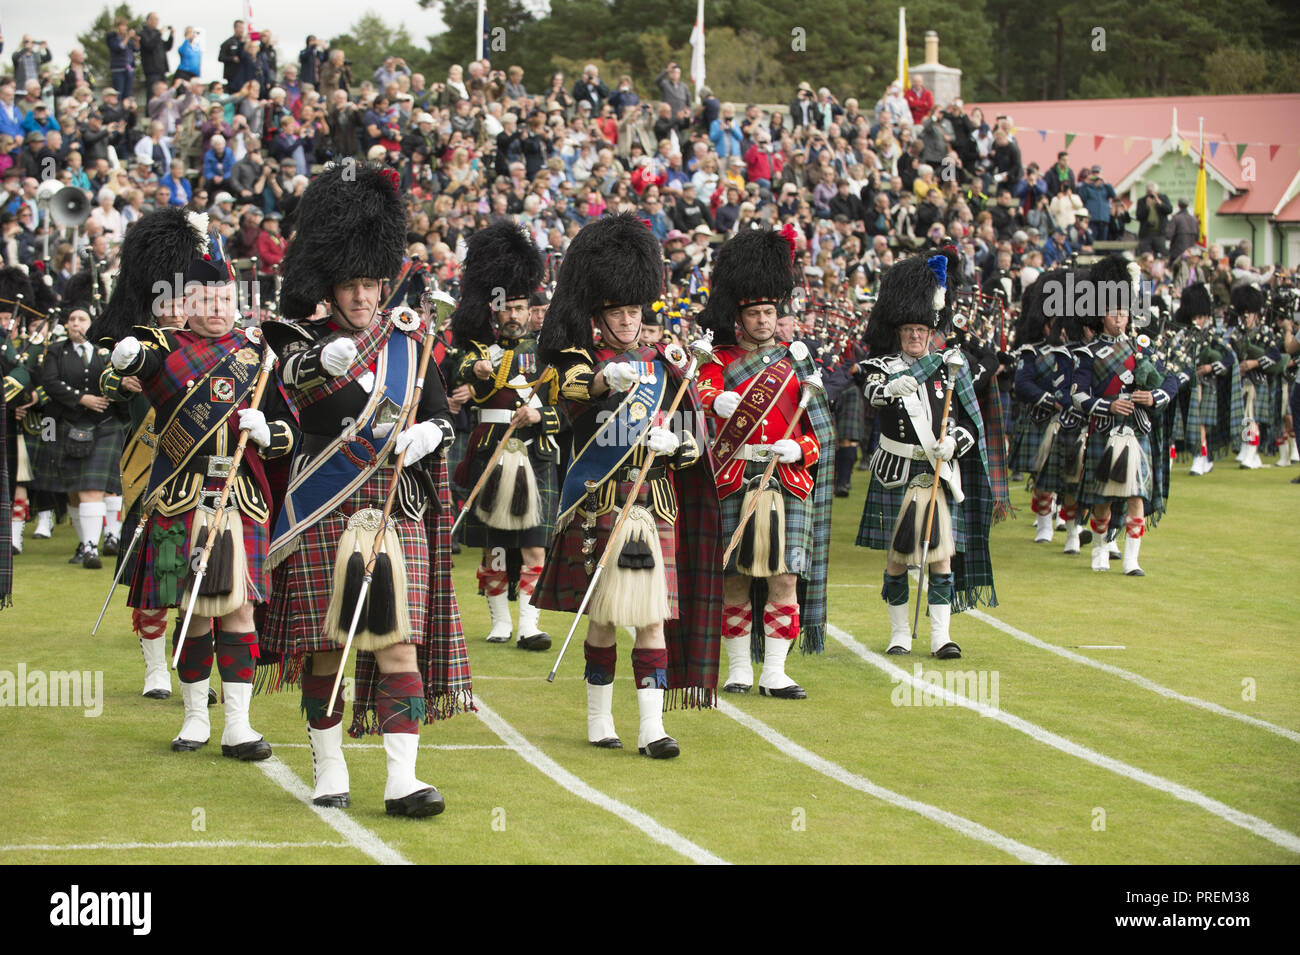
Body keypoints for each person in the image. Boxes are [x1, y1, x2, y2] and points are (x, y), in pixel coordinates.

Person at [262, 163, 472, 816]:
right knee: (326, 647)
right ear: (330, 287)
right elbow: (291, 382)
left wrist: (430, 438)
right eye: (350, 286)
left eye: (370, 285)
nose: (361, 297)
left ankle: (401, 780)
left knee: (396, 641)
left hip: (396, 509)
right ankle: (328, 768)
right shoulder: (306, 343)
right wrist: (315, 362)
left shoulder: (410, 345)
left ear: (384, 284)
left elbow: (441, 413)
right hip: (329, 508)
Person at [535, 212, 722, 758]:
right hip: (601, 499)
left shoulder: (669, 362)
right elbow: (565, 390)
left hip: (654, 502)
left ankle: (652, 728)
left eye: (633, 310)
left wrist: (678, 446)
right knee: (603, 618)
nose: (626, 320)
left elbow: (693, 435)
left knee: (650, 617)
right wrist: (603, 380)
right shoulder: (580, 358)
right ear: (598, 313)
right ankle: (599, 720)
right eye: (616, 311)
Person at [109, 241, 295, 758]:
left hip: (242, 498)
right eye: (206, 300)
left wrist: (267, 434)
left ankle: (238, 726)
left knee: (238, 612)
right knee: (192, 612)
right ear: (186, 303)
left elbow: (291, 431)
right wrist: (121, 358)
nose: (217, 310)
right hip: (180, 500)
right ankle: (194, 719)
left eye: (225, 300)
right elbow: (122, 374)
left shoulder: (260, 353)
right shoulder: (163, 348)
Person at [696, 226, 835, 698]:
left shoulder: (798, 362)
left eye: (769, 312)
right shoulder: (718, 359)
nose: (762, 320)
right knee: (734, 575)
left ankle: (775, 672)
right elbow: (702, 391)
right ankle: (737, 669)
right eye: (754, 313)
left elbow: (823, 432)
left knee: (785, 574)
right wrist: (716, 402)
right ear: (739, 316)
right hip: (736, 476)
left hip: (787, 479)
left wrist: (800, 450)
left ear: (778, 315)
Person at [856, 254, 997, 657]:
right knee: (898, 558)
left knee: (941, 556)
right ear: (897, 331)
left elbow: (971, 422)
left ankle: (940, 637)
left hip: (938, 469)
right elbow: (872, 394)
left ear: (931, 330)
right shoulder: (879, 367)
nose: (915, 336)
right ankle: (900, 634)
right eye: (908, 330)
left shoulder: (949, 368)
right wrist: (889, 390)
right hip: (896, 472)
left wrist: (955, 441)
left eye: (921, 329)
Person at [90, 207, 203, 702]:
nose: (177, 306)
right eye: (169, 298)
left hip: (202, 474)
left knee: (202, 581)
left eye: (183, 297)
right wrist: (122, 377)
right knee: (160, 574)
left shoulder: (209, 346)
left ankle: (192, 669)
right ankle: (155, 668)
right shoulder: (136, 343)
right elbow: (106, 379)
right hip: (152, 468)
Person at [449, 221, 559, 650]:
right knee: (494, 550)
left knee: (535, 548)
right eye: (506, 308)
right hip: (490, 451)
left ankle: (530, 624)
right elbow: (462, 373)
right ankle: (499, 621)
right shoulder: (475, 351)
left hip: (536, 453)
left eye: (521, 307)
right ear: (493, 310)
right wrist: (477, 370)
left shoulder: (550, 351)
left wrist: (541, 415)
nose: (514, 315)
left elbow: (565, 408)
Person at [1072, 255, 1180, 575]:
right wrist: (1108, 405)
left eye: (1123, 311)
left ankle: (1132, 559)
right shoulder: (1087, 353)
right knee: (1102, 497)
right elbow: (1077, 396)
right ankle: (1100, 551)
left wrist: (1153, 396)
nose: (1119, 317)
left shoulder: (1142, 348)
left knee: (1137, 496)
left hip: (1136, 430)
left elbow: (1171, 381)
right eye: (1112, 312)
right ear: (1101, 315)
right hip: (1105, 429)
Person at [37, 288, 128, 570]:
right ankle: (87, 544)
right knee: (78, 489)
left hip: (107, 424)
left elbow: (124, 380)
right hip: (71, 423)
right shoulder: (55, 351)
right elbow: (50, 382)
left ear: (92, 323)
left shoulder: (108, 351)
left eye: (82, 319)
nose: (76, 324)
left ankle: (104, 540)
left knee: (102, 486)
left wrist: (115, 391)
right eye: (72, 320)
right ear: (66, 325)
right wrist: (81, 398)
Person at [1169, 282, 1240, 475]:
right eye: (1194, 316)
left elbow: (1229, 358)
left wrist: (1210, 367)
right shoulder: (1182, 335)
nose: (1197, 321)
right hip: (1186, 385)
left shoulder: (1214, 335)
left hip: (1208, 386)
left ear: (1207, 316)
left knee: (1198, 424)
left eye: (1200, 317)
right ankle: (1203, 458)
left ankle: (1200, 458)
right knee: (1190, 424)